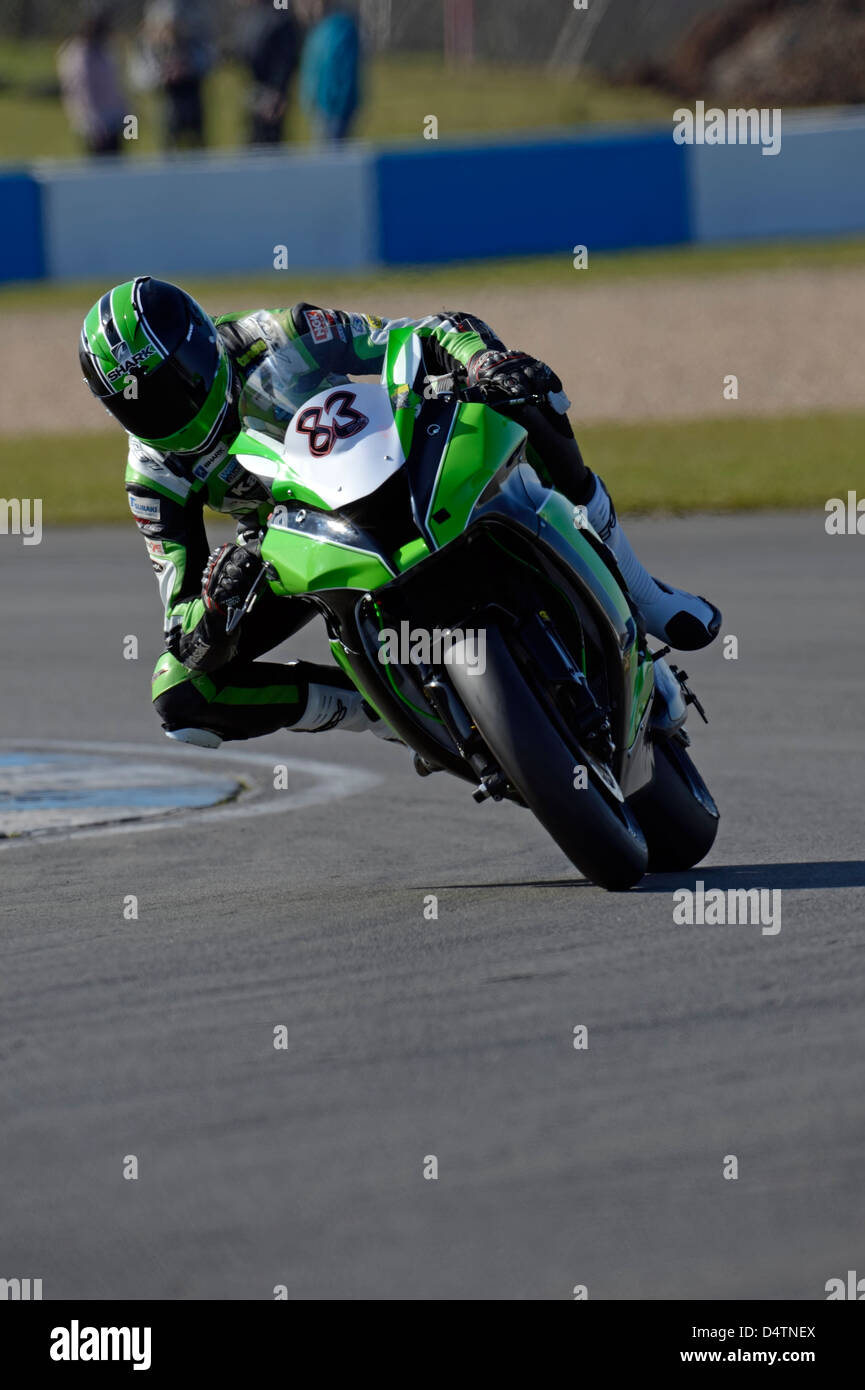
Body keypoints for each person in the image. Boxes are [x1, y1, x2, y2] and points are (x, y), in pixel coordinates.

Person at [78, 279, 720, 748]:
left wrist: (482, 361)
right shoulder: (153, 477)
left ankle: (638, 588)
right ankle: (380, 711)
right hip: (293, 544)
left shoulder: (276, 333)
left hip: (384, 462)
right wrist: (216, 604)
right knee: (180, 692)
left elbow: (420, 334)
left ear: (200, 342)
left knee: (530, 391)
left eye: (179, 376)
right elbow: (181, 622)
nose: (175, 406)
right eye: (144, 402)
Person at [130, 0, 213, 150]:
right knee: (168, 149)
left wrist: (188, 68)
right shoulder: (149, 43)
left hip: (192, 100)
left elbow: (208, 58)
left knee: (198, 150)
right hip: (166, 104)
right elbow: (140, 76)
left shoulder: (195, 27)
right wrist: (161, 75)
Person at [56, 5, 127, 157]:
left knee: (118, 164)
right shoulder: (78, 56)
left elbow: (116, 84)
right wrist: (95, 125)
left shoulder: (103, 51)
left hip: (114, 118)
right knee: (99, 165)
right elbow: (82, 92)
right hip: (95, 124)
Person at [236, 0, 302, 146]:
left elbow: (286, 59)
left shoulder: (280, 18)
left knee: (269, 143)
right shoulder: (255, 16)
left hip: (271, 95)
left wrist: (277, 93)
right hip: (256, 90)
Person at [299, 2, 360, 142]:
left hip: (335, 109)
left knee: (331, 154)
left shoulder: (341, 30)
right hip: (320, 107)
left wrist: (339, 105)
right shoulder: (319, 30)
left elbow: (344, 73)